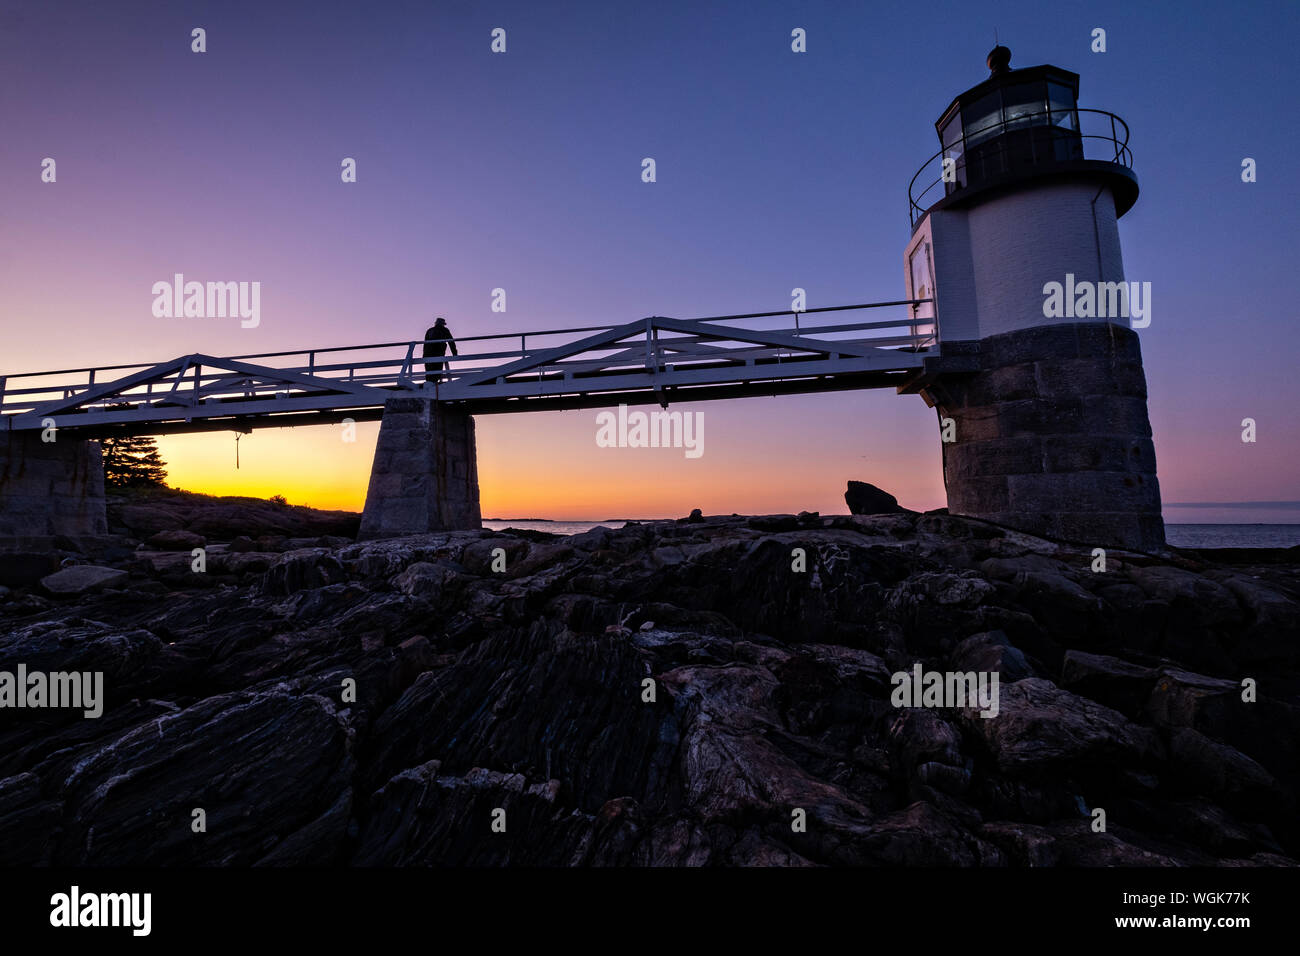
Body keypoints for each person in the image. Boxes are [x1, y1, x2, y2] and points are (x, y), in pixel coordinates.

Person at [422, 316, 458, 383]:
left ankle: (429, 385)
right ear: (442, 324)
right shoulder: (444, 330)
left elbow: (425, 344)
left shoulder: (429, 330)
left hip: (428, 354)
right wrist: (455, 353)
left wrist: (424, 356)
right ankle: (434, 386)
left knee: (429, 372)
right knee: (437, 370)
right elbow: (451, 342)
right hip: (438, 353)